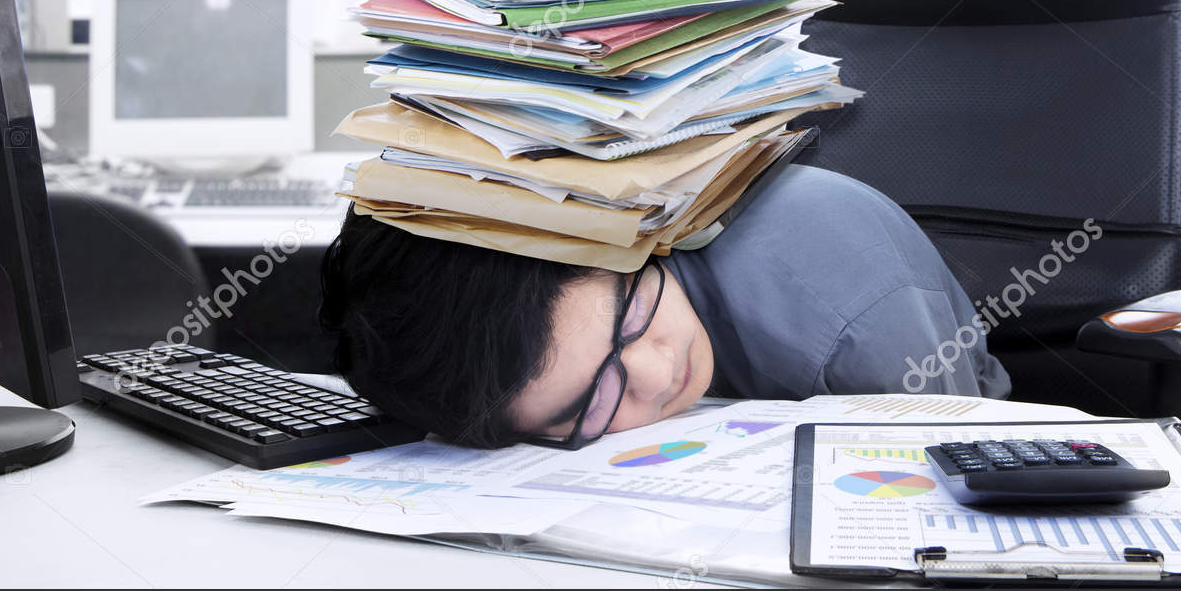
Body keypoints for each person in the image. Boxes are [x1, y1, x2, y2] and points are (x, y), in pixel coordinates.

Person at [319, 162, 1010, 450]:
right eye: (587, 406)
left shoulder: (858, 327)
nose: (655, 375)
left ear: (628, 236)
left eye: (630, 321)